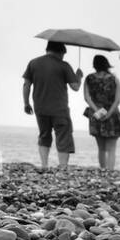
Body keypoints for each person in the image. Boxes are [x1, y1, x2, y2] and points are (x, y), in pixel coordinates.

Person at [22, 42, 83, 171]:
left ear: (47, 49)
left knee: (44, 135)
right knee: (63, 136)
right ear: (61, 52)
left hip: (40, 107)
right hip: (59, 108)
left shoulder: (33, 63)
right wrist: (79, 77)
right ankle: (63, 166)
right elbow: (75, 87)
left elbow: (26, 85)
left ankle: (44, 165)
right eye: (63, 55)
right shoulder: (64, 65)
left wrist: (26, 103)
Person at [83, 55, 120, 173]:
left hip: (96, 115)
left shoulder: (89, 78)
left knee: (101, 148)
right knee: (111, 148)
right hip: (112, 115)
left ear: (94, 65)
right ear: (106, 64)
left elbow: (87, 98)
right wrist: (109, 113)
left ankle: (103, 170)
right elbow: (117, 100)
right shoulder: (114, 79)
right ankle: (110, 171)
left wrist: (96, 110)